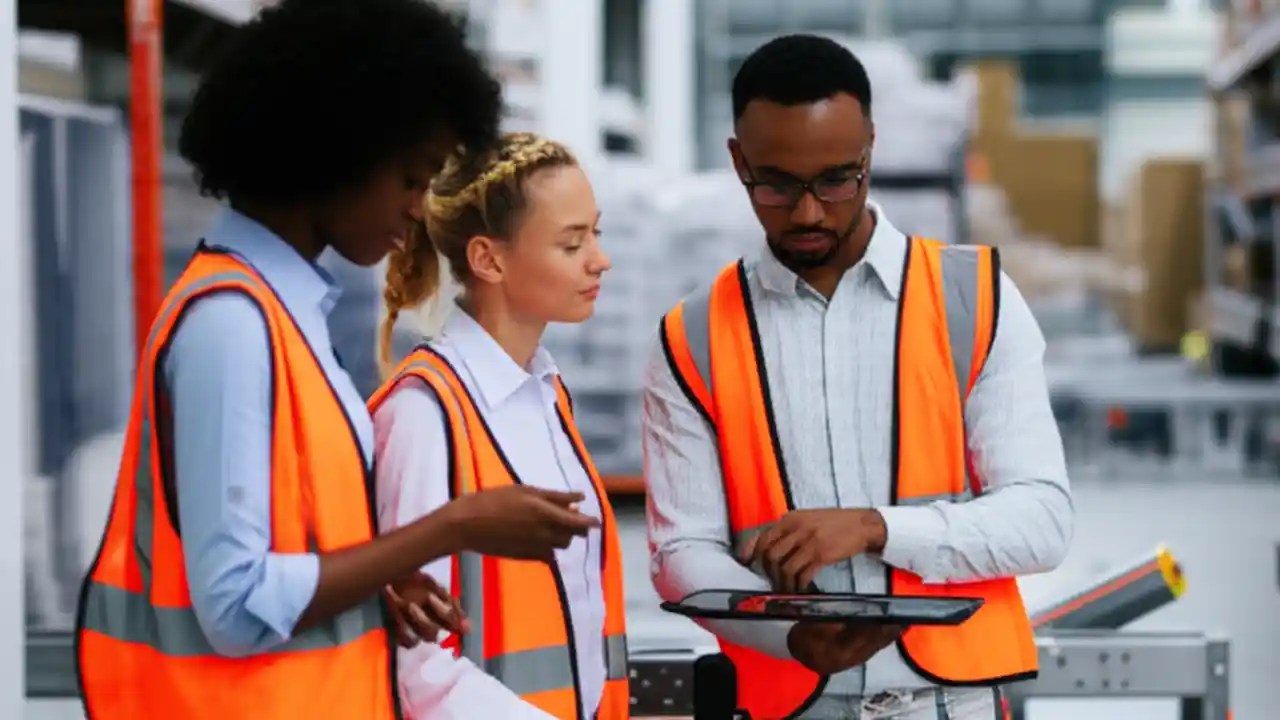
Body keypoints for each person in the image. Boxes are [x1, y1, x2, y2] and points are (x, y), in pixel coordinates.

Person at [74, 3, 599, 718]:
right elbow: (236, 605)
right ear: (335, 154)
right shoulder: (232, 325)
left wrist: (376, 591)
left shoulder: (282, 317)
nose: (418, 208)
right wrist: (455, 526)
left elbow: (286, 555)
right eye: (410, 179)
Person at [644, 35, 1074, 720]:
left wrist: (876, 528)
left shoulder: (976, 299)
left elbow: (1043, 521)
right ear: (738, 161)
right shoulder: (691, 336)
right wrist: (786, 635)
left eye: (837, 179)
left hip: (951, 702)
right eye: (777, 184)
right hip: (786, 702)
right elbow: (680, 551)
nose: (810, 212)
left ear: (872, 148)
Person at [370, 132, 629, 720]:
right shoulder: (423, 414)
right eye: (572, 243)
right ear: (488, 259)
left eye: (597, 232)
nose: (600, 259)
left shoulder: (546, 396)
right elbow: (422, 665)